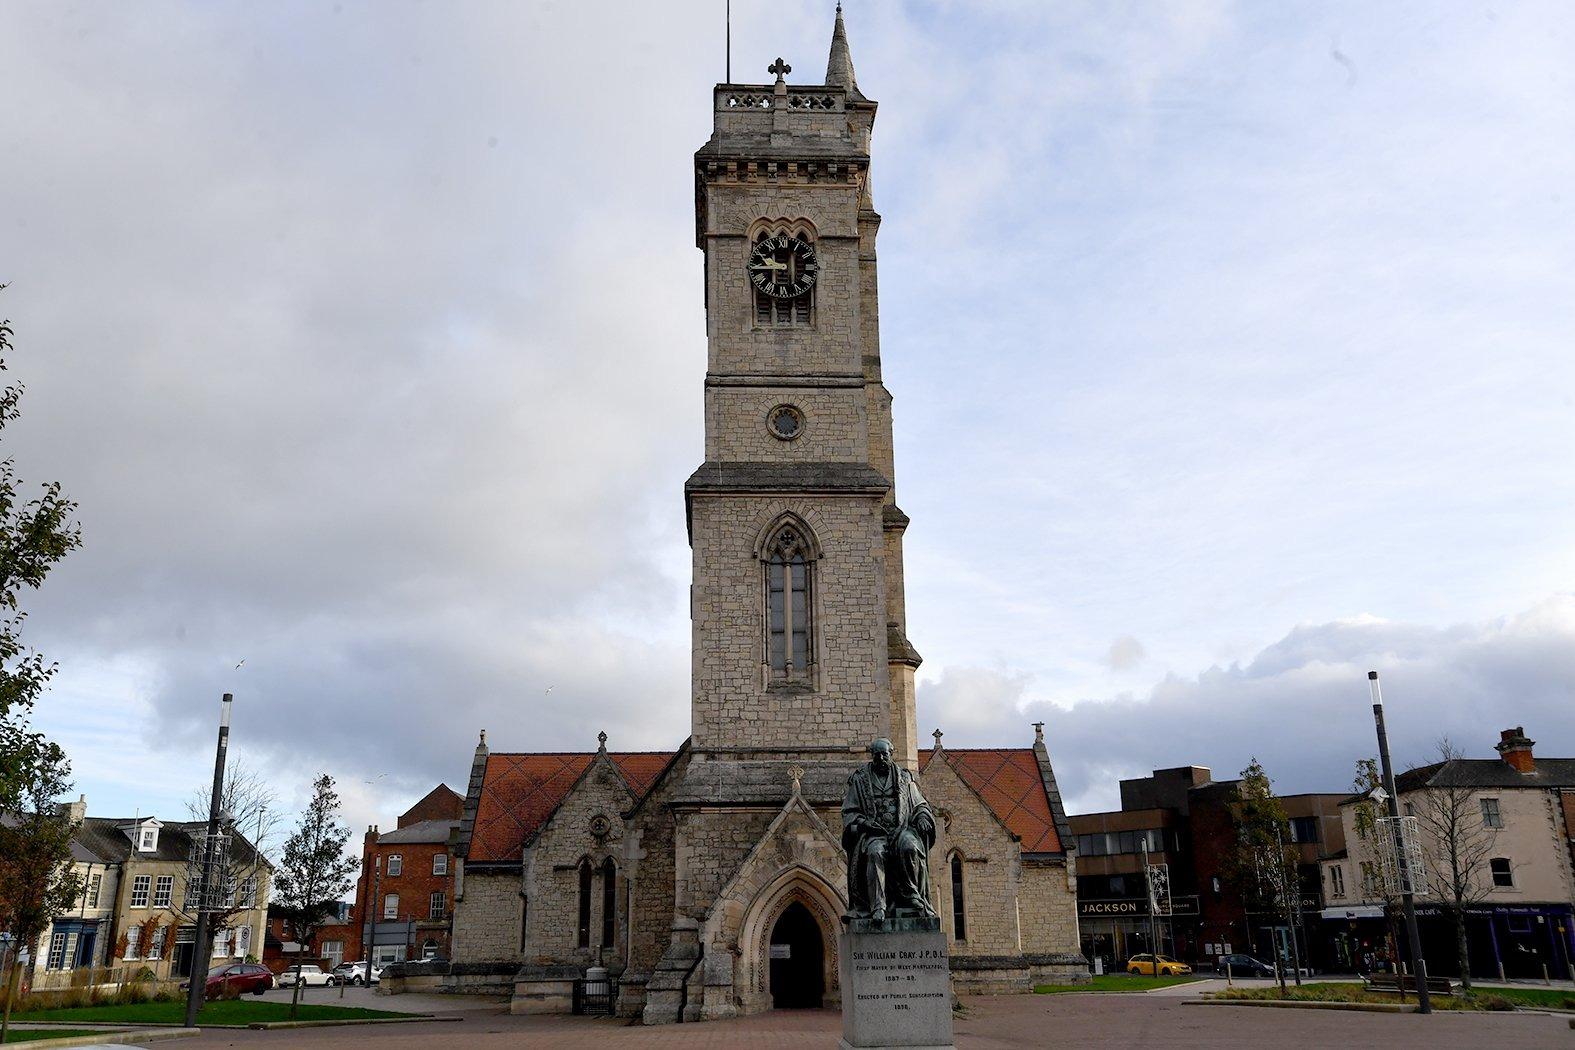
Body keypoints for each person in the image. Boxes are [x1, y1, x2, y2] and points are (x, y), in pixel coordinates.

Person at [841, 738, 936, 921]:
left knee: (909, 847)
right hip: (874, 833)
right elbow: (850, 812)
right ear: (872, 756)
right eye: (877, 755)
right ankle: (878, 906)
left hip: (901, 830)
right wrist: (864, 823)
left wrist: (923, 818)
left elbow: (919, 805)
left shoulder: (905, 777)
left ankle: (911, 896)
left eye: (885, 754)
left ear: (891, 754)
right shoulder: (860, 779)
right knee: (875, 853)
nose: (881, 758)